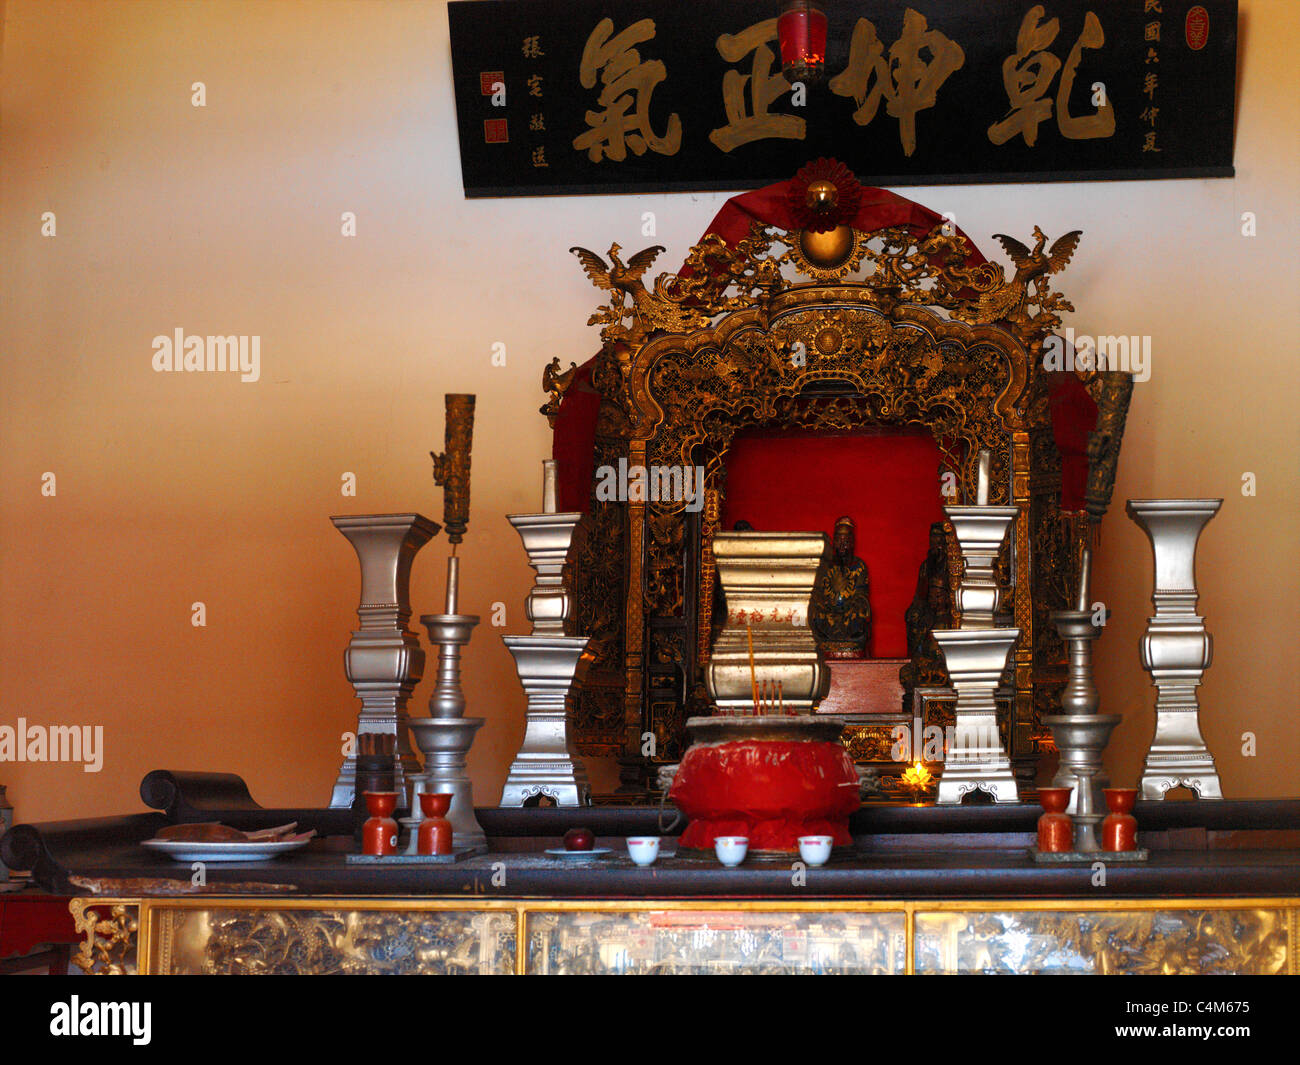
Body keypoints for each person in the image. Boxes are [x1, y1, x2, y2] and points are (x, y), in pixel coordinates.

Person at [811, 516, 872, 658]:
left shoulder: (859, 566)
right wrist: (825, 603)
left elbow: (861, 594)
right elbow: (818, 592)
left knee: (861, 610)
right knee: (814, 609)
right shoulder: (824, 565)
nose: (842, 545)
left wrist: (851, 607)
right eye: (839, 540)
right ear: (833, 542)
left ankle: (852, 640)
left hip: (849, 612)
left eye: (846, 541)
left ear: (852, 543)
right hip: (828, 611)